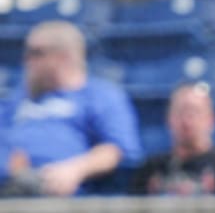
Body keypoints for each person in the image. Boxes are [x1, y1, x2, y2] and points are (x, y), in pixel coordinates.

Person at [0, 20, 141, 197]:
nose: (27, 61)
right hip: (10, 190)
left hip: (66, 198)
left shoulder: (101, 95)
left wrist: (74, 170)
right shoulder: (16, 99)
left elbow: (119, 150)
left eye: (36, 53)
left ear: (64, 57)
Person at [130, 82, 215, 196]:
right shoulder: (151, 170)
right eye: (180, 112)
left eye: (194, 112)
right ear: (168, 119)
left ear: (211, 119)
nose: (186, 120)